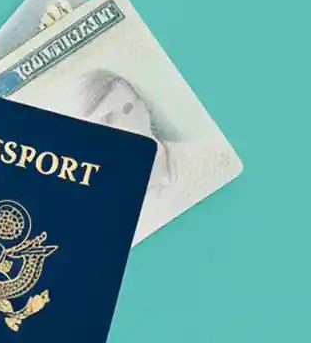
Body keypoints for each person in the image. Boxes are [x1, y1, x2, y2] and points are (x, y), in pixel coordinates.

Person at [76, 70, 232, 238]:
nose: (124, 124)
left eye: (128, 108)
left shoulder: (210, 158)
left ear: (145, 107)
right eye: (108, 120)